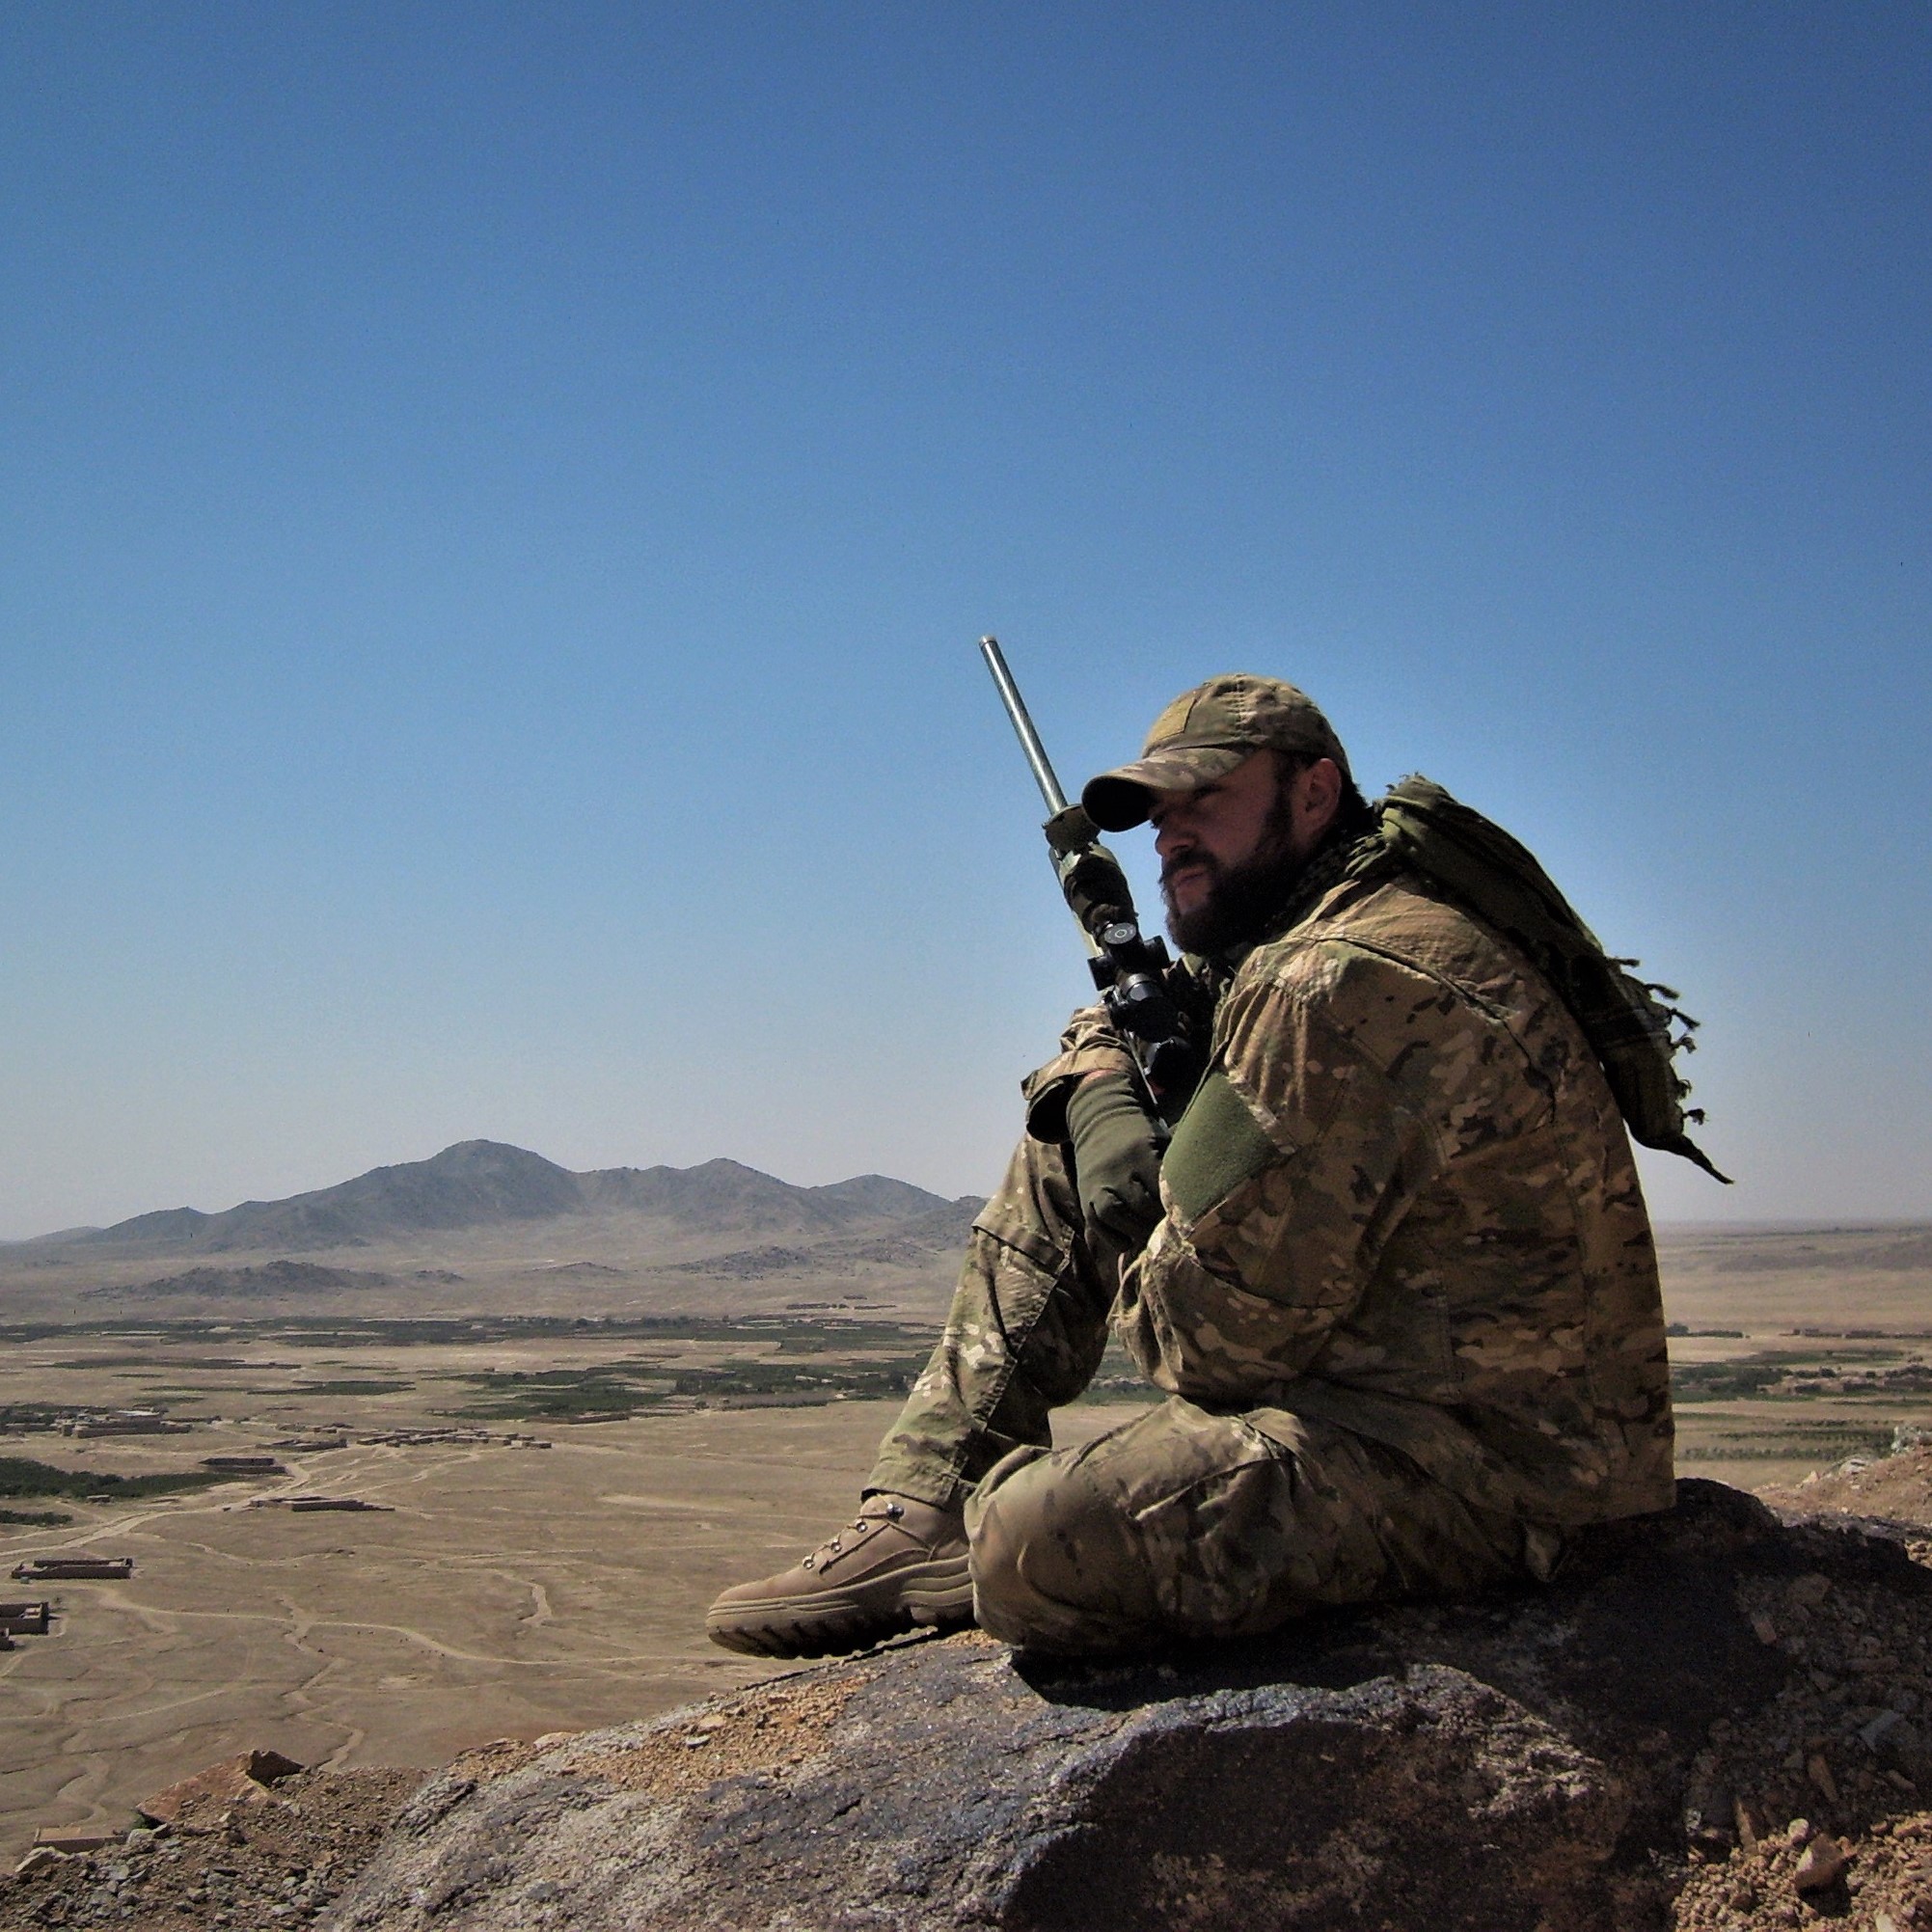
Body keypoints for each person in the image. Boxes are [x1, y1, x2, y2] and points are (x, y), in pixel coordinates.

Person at [706, 673, 1676, 1660]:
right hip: (1402, 1397)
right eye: (1158, 815)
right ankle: (921, 1502)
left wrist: (1135, 1203)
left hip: (1489, 1475)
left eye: (1204, 798)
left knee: (1027, 1542)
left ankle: (965, 1522)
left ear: (1312, 792)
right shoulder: (1327, 920)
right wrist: (1093, 1075)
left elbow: (1207, 1346)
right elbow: (1147, 1002)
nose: (1169, 835)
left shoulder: (1336, 980)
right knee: (1067, 1129)